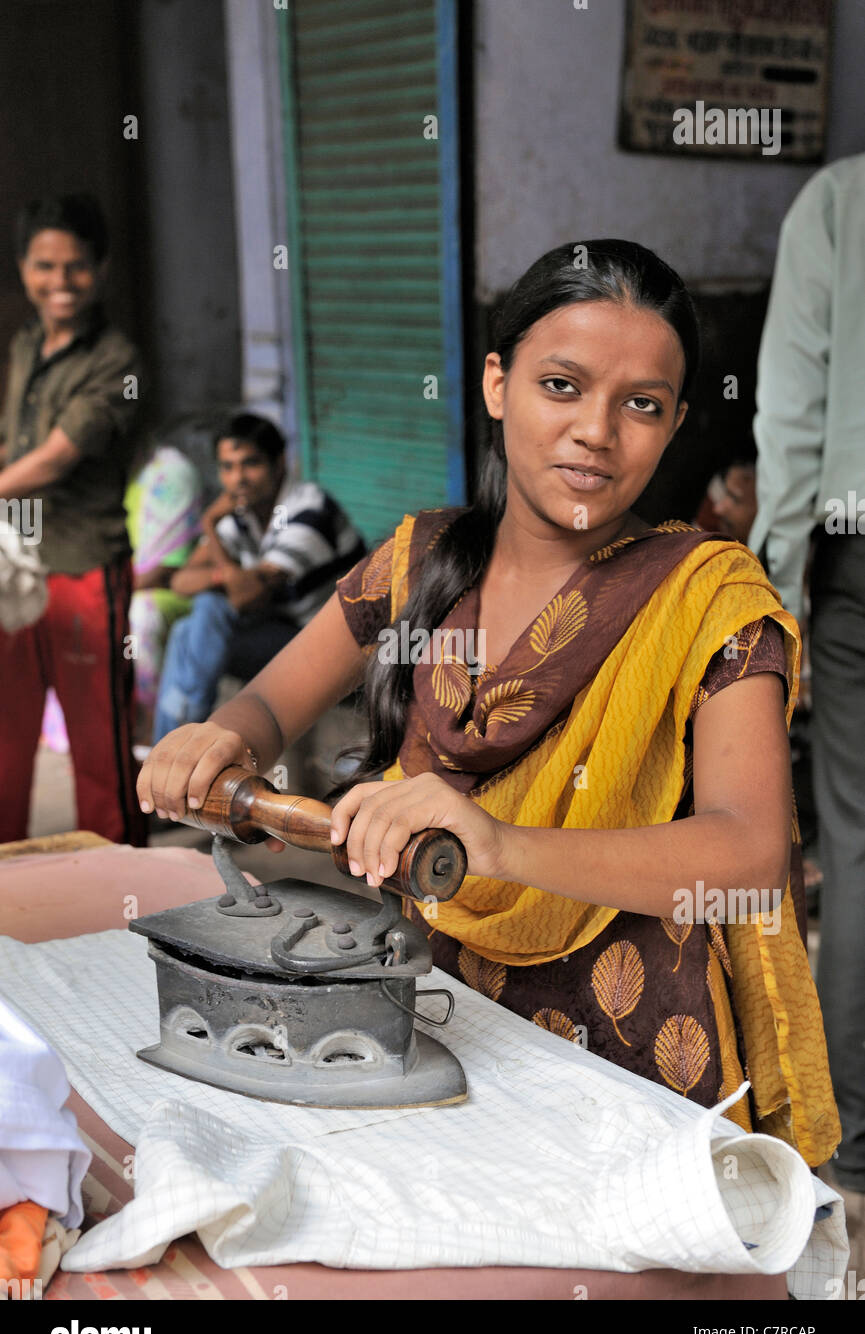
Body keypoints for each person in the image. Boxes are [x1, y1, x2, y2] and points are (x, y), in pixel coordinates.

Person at [138, 241, 839, 1167]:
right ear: (496, 383)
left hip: (637, 1074)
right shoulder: (420, 561)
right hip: (436, 1025)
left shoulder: (707, 595)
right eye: (561, 385)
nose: (596, 430)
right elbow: (270, 702)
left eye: (641, 405)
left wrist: (497, 843)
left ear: (672, 426)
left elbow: (748, 856)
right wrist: (218, 736)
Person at [749, 154, 865, 1192]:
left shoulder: (840, 201)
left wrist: (774, 586)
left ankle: (853, 1151)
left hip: (856, 543)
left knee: (858, 847)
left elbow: (790, 413)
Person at [0, 193, 145, 845]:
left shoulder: (115, 360)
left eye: (76, 266)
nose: (60, 282)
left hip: (85, 569)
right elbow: (19, 447)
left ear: (102, 268)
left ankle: (121, 897)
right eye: (44, 266)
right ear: (23, 268)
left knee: (99, 749)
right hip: (18, 567)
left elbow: (55, 460)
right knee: (6, 734)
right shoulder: (26, 344)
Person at [152, 412, 365, 743]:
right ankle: (174, 741)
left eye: (250, 464)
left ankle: (177, 741)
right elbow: (181, 581)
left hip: (336, 644)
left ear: (279, 463)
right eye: (227, 467)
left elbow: (244, 597)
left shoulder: (309, 512)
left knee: (205, 617)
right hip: (286, 632)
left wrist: (209, 524)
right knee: (193, 624)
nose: (238, 478)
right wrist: (224, 572)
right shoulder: (243, 515)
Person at [125, 438, 204, 746]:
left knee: (138, 618)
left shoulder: (170, 473)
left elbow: (167, 569)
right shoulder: (100, 473)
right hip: (120, 584)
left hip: (157, 591)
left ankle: (147, 736)